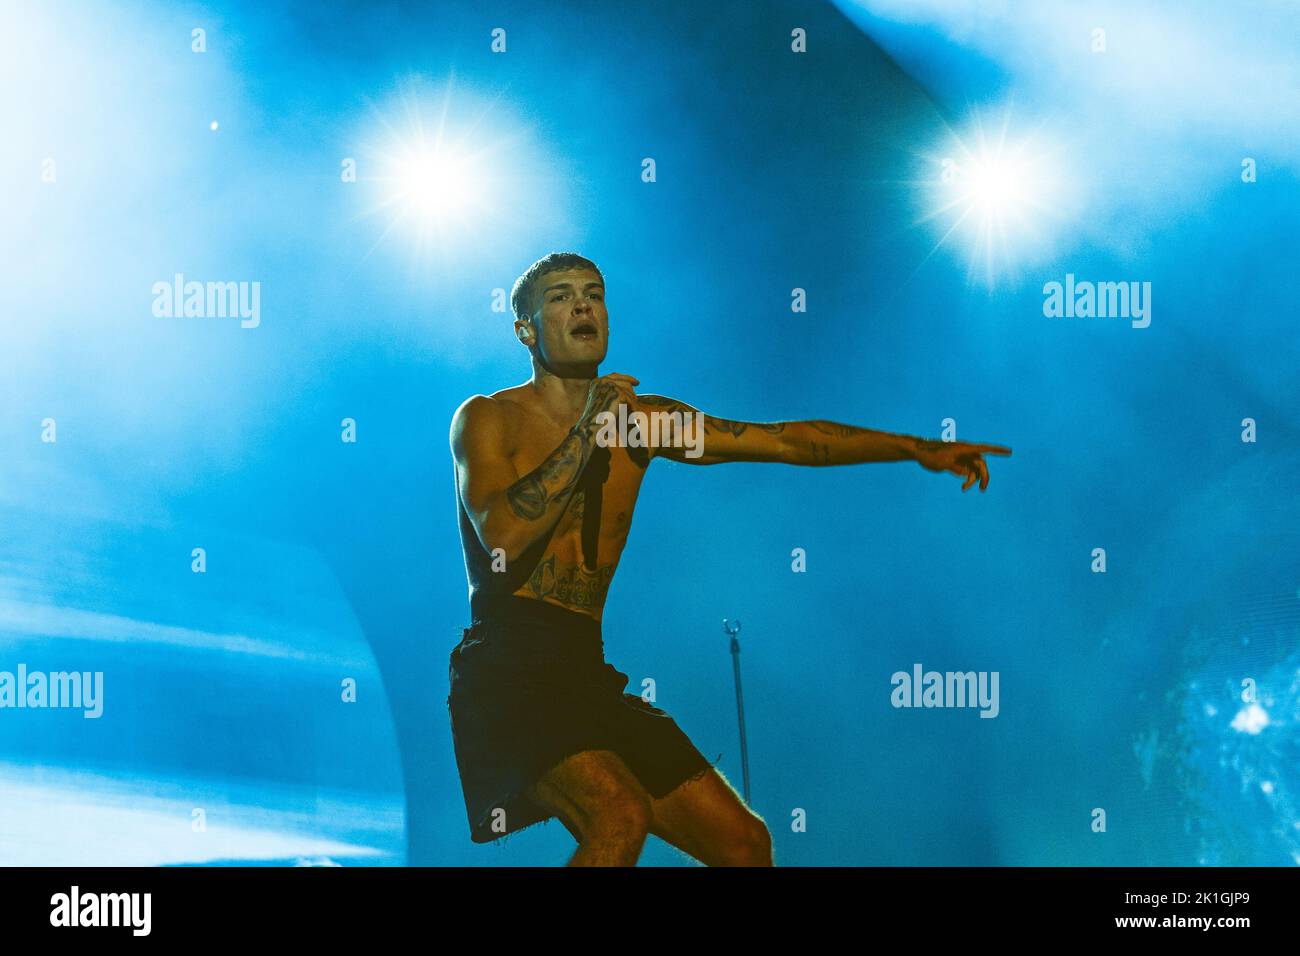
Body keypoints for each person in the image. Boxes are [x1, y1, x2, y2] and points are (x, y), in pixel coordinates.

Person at [447, 252, 1011, 866]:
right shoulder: (487, 417)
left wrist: (915, 447)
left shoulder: (646, 424)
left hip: (584, 667)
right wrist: (590, 426)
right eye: (560, 297)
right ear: (525, 329)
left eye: (594, 293)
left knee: (744, 843)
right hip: (509, 668)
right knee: (619, 813)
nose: (583, 306)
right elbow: (502, 538)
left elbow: (786, 440)